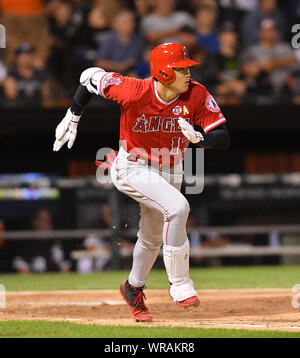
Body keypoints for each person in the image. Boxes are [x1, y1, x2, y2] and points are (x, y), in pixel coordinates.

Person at [53, 42, 230, 322]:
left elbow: (223, 135)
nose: (188, 73)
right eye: (181, 68)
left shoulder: (196, 93)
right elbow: (89, 79)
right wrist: (72, 117)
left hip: (171, 169)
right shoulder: (135, 90)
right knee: (178, 208)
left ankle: (133, 288)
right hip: (133, 166)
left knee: (152, 237)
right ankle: (180, 284)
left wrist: (202, 139)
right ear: (164, 72)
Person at [96, 10, 144, 75]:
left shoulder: (138, 40)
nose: (131, 24)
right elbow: (100, 63)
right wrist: (121, 66)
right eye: (126, 22)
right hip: (112, 77)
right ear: (117, 25)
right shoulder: (109, 40)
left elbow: (143, 60)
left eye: (132, 21)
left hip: (133, 77)